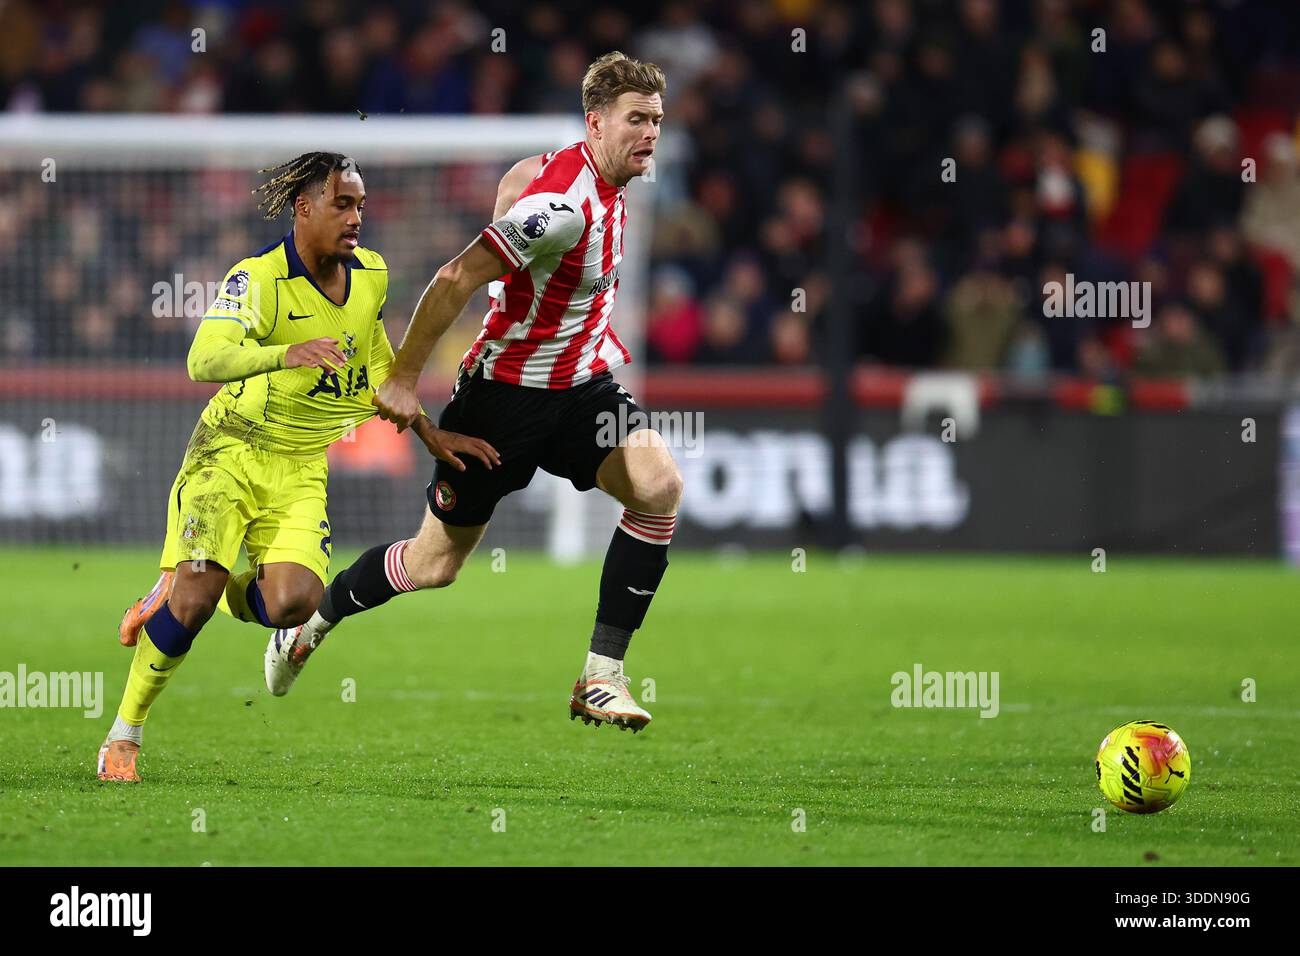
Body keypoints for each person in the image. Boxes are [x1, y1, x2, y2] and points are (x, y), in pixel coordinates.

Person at [265, 52, 682, 734]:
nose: (651, 134)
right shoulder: (563, 207)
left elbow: (519, 177)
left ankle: (601, 676)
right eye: (636, 120)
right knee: (434, 565)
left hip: (581, 391)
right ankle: (313, 622)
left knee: (658, 486)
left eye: (657, 120)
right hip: (500, 403)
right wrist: (401, 377)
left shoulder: (583, 177)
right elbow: (456, 277)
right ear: (595, 122)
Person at [98, 152, 498, 782]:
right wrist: (285, 353)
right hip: (228, 450)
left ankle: (179, 587)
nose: (356, 217)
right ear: (303, 208)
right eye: (343, 204)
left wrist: (427, 427)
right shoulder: (257, 278)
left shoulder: (371, 275)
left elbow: (377, 367)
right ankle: (126, 731)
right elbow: (203, 360)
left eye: (361, 205)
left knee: (294, 603)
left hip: (302, 466)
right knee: (197, 600)